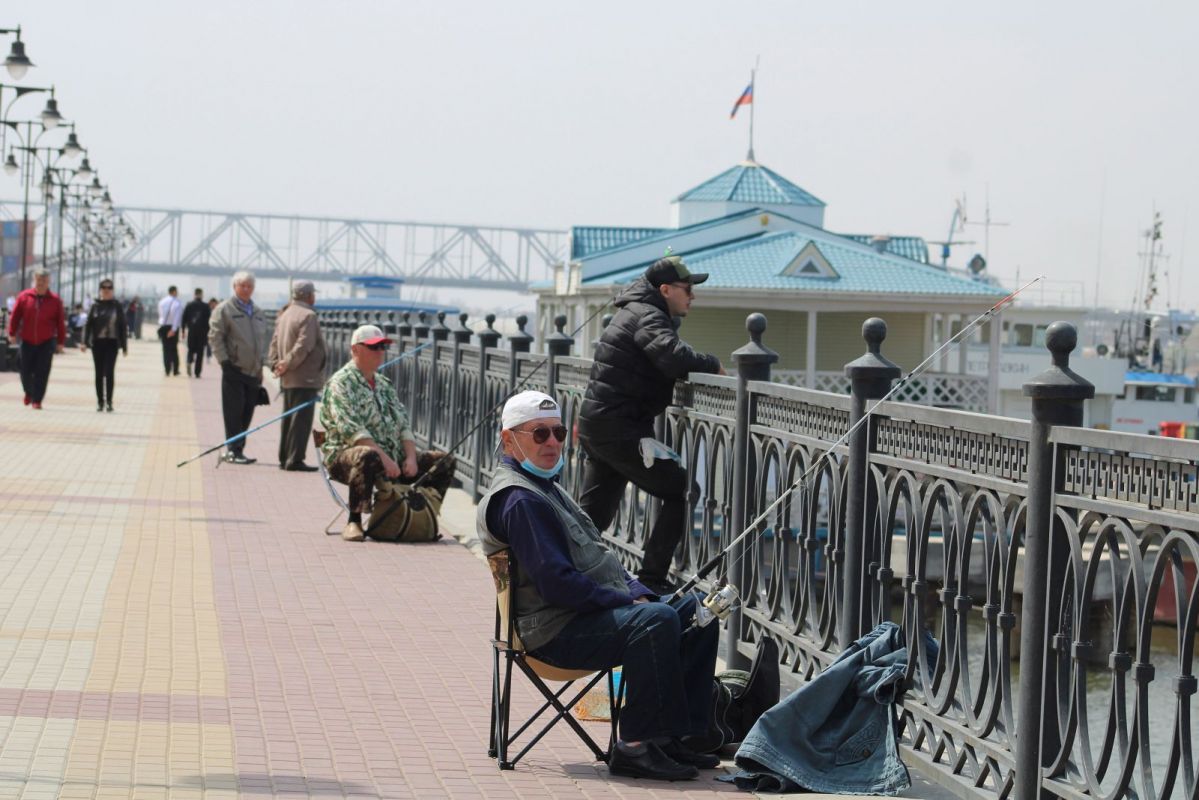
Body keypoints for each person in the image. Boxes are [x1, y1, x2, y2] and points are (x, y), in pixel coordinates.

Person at [478, 390, 720, 781]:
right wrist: (626, 599)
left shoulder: (546, 487)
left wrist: (635, 587)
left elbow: (595, 554)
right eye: (539, 434)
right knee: (654, 621)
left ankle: (679, 735)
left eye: (557, 432)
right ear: (509, 439)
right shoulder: (521, 500)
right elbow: (557, 585)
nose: (553, 442)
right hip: (553, 632)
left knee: (697, 612)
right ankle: (635, 746)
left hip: (582, 614)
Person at [577, 255, 724, 594]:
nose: (693, 296)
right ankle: (652, 579)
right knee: (682, 489)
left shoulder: (636, 311)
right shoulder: (647, 315)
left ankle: (568, 573)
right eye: (687, 289)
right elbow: (673, 357)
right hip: (619, 428)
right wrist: (713, 364)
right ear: (666, 289)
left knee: (592, 516)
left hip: (603, 424)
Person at [319, 324, 437, 541]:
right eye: (374, 347)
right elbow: (352, 431)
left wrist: (410, 457)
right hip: (345, 457)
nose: (380, 352)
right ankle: (354, 521)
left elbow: (403, 424)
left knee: (441, 462)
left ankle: (422, 516)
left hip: (391, 456)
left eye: (382, 347)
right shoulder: (340, 383)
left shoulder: (383, 384)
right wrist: (385, 460)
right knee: (367, 455)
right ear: (355, 350)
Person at [208, 271, 268, 465]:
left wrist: (261, 367)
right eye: (242, 285)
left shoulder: (258, 312)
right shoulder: (224, 309)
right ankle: (233, 451)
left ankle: (239, 449)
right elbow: (215, 336)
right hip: (234, 369)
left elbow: (261, 341)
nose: (246, 289)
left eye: (249, 286)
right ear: (235, 287)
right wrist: (224, 362)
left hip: (253, 372)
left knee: (247, 412)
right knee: (233, 412)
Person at [268, 280, 327, 471]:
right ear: (308, 295)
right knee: (301, 420)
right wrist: (287, 363)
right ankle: (295, 460)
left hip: (289, 376)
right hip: (304, 376)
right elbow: (304, 345)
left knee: (289, 417)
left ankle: (284, 456)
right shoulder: (308, 315)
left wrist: (275, 363)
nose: (314, 297)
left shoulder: (285, 313)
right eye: (313, 294)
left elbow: (275, 341)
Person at [6, 268, 66, 409]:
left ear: (48, 282)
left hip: (46, 342)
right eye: (39, 279)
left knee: (42, 372)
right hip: (27, 340)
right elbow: (15, 316)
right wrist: (12, 333)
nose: (41, 283)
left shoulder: (55, 300)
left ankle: (37, 400)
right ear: (34, 280)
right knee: (24, 369)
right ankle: (28, 392)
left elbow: (60, 322)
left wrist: (60, 342)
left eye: (44, 280)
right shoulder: (24, 297)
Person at [80, 277, 128, 412]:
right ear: (100, 290)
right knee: (99, 373)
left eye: (109, 288)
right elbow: (87, 325)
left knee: (109, 372)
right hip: (97, 343)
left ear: (112, 290)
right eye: (104, 288)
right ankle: (100, 401)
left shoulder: (117, 306)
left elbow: (123, 326)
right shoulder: (94, 306)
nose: (106, 291)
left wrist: (124, 346)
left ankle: (109, 402)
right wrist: (83, 342)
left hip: (112, 343)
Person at [181, 288, 211, 378]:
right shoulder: (206, 306)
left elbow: (184, 319)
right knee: (200, 353)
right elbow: (209, 321)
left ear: (194, 294)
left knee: (190, 349)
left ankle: (189, 361)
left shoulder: (189, 305)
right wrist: (209, 333)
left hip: (191, 331)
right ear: (201, 295)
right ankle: (197, 373)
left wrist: (182, 330)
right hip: (202, 333)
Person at [156, 286, 183, 376]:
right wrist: (173, 329)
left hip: (163, 327)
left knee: (165, 349)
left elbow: (161, 316)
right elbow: (176, 318)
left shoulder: (162, 302)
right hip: (172, 327)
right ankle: (175, 370)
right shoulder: (177, 303)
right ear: (174, 292)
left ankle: (167, 369)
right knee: (174, 349)